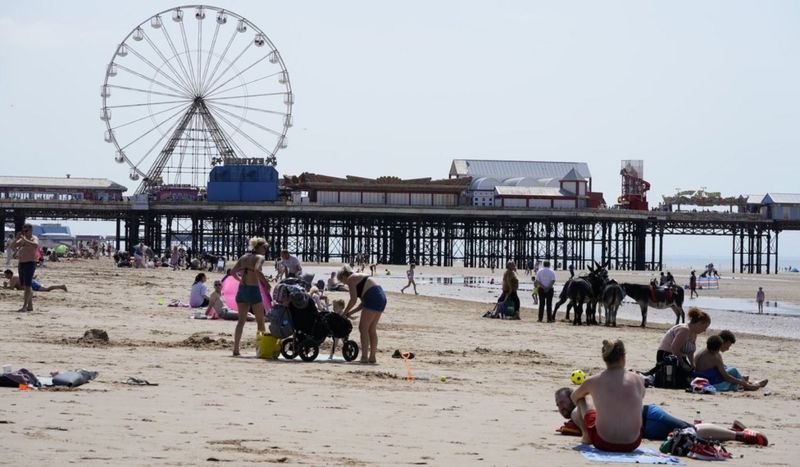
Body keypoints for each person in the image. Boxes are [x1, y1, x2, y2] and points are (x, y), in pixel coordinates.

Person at [555, 387, 768, 445]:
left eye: (561, 402)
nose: (560, 408)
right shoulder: (580, 408)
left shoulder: (577, 409)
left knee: (690, 431)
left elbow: (588, 431)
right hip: (646, 423)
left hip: (648, 418)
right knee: (690, 432)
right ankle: (732, 431)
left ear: (571, 397)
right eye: (557, 405)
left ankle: (739, 434)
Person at [570, 340, 645, 452]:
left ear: (605, 359)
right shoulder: (638, 379)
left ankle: (586, 436)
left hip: (603, 442)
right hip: (633, 443)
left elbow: (574, 397)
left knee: (583, 398)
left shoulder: (593, 380)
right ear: (623, 357)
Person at [229, 237, 271, 356]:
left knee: (241, 321)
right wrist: (266, 283)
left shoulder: (243, 257)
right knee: (260, 322)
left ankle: (236, 349)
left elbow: (232, 272)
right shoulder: (260, 257)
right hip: (253, 290)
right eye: (265, 247)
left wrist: (240, 280)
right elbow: (257, 270)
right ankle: (259, 349)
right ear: (259, 247)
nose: (266, 250)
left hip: (242, 290)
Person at [338, 264, 387, 364]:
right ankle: (372, 357)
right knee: (371, 329)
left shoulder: (351, 279)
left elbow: (353, 300)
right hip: (381, 297)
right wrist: (349, 313)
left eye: (342, 281)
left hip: (373, 297)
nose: (345, 284)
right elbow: (363, 304)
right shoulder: (359, 277)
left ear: (344, 276)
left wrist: (344, 312)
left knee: (363, 328)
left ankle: (364, 357)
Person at [694, 334, 768, 392]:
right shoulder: (715, 357)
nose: (728, 348)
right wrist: (742, 383)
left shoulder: (703, 350)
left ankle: (747, 382)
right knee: (733, 370)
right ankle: (748, 385)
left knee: (728, 369)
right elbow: (726, 377)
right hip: (710, 383)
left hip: (698, 378)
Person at [10, 224, 39, 312]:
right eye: (24, 231)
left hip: (30, 263)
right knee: (25, 286)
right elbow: (12, 246)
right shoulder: (22, 240)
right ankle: (30, 306)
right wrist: (16, 238)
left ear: (30, 231)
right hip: (21, 264)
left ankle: (24, 306)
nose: (24, 233)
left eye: (26, 231)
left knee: (27, 285)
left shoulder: (33, 238)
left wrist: (25, 239)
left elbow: (35, 245)